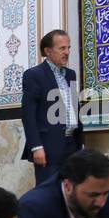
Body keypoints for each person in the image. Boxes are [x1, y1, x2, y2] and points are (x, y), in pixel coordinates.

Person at [21, 30, 84, 185]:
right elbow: (28, 115)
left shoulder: (71, 75)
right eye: (62, 48)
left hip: (72, 145)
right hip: (48, 147)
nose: (67, 52)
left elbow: (73, 107)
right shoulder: (34, 75)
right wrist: (36, 146)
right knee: (49, 192)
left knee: (72, 190)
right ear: (48, 51)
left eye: (69, 48)